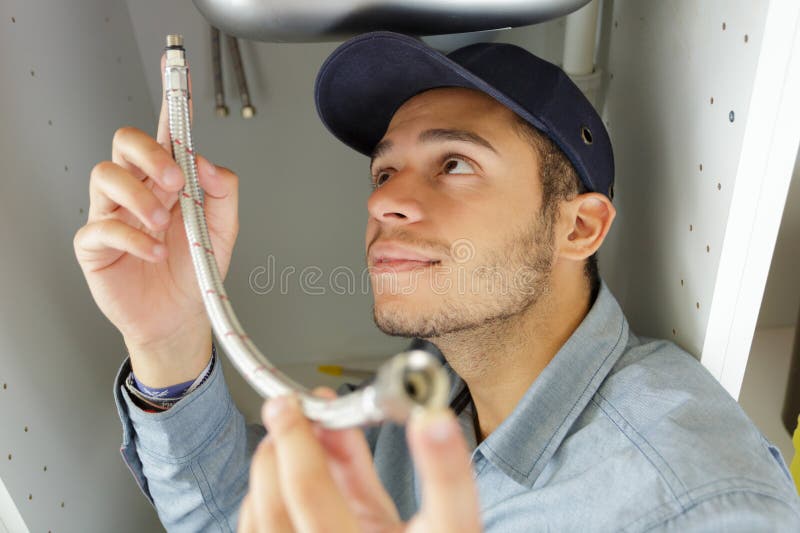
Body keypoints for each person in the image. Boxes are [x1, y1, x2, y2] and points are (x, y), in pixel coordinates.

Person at [73, 31, 800, 532]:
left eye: (455, 163)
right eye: (384, 169)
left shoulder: (690, 499)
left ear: (577, 227)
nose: (381, 199)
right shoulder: (417, 404)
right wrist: (167, 340)